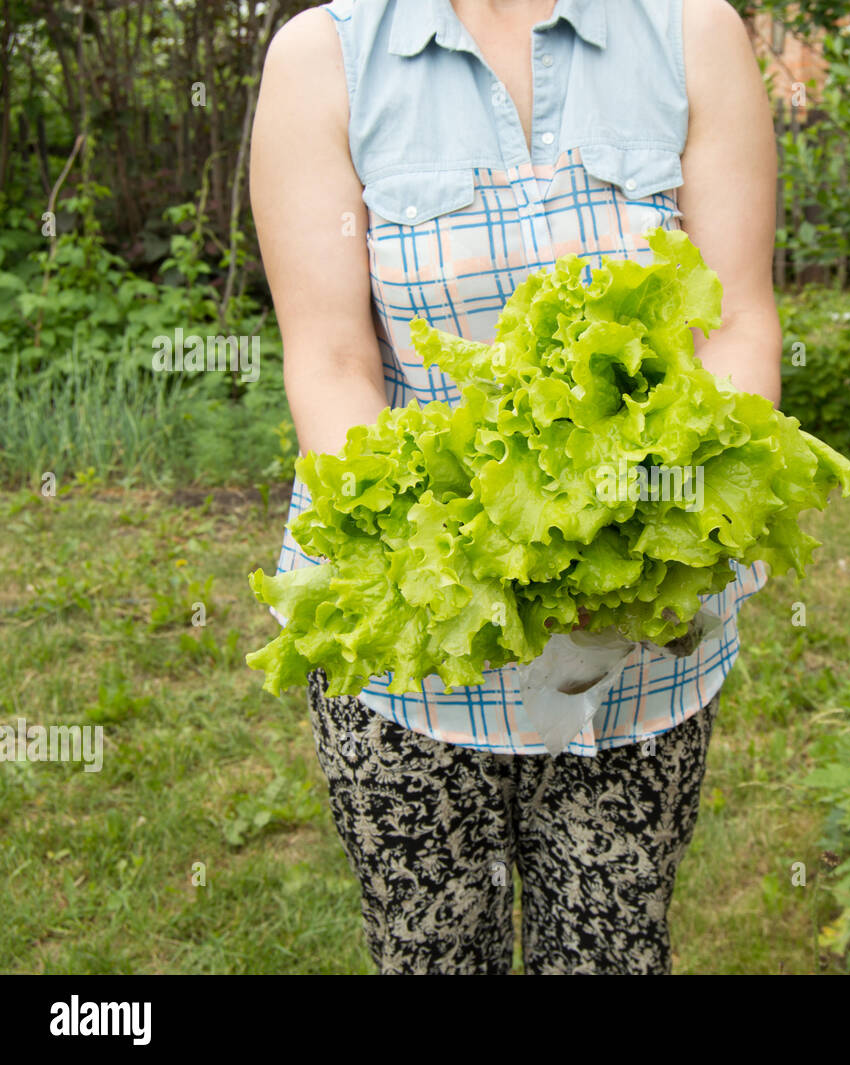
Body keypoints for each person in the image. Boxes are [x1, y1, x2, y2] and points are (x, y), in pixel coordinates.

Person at [249, 0, 780, 974]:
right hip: (410, 645)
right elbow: (329, 359)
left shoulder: (690, 32)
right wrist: (465, 568)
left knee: (613, 948)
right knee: (430, 950)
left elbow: (737, 320)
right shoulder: (324, 58)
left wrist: (650, 532)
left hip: (639, 639)